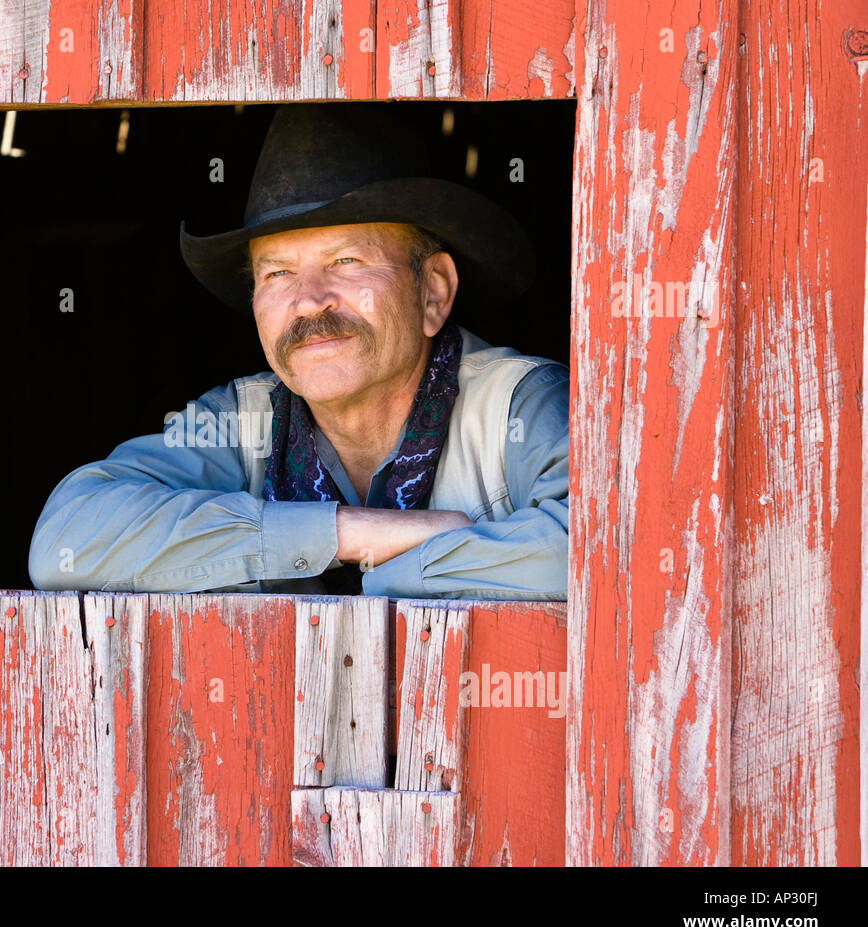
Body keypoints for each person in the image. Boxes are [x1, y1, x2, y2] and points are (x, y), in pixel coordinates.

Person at [28, 103, 568, 599]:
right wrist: (345, 533)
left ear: (433, 292)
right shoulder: (241, 422)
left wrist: (396, 575)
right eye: (278, 273)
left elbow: (609, 547)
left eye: (346, 262)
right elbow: (65, 542)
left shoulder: (521, 408)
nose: (309, 302)